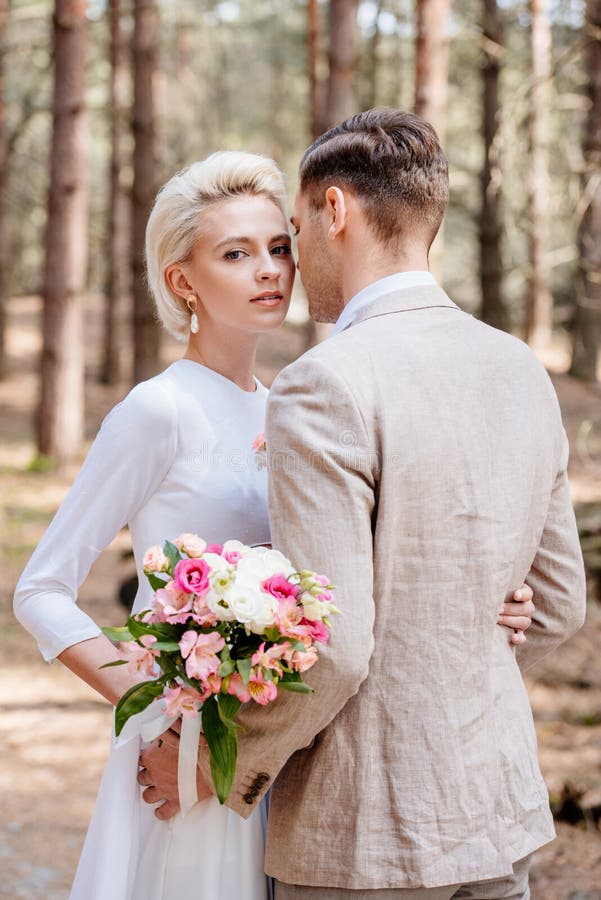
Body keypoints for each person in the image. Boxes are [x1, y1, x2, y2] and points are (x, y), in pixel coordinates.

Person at [15, 149, 534, 900]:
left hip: (290, 751)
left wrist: (501, 598)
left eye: (279, 248)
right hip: (194, 747)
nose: (269, 270)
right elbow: (41, 589)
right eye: (236, 253)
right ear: (183, 281)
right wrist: (168, 704)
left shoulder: (293, 405)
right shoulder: (158, 412)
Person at [141, 111, 587, 899]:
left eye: (294, 231)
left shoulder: (326, 381)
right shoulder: (518, 368)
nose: (291, 258)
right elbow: (555, 608)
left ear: (336, 210)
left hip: (363, 836)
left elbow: (340, 647)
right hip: (496, 814)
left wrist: (215, 766)